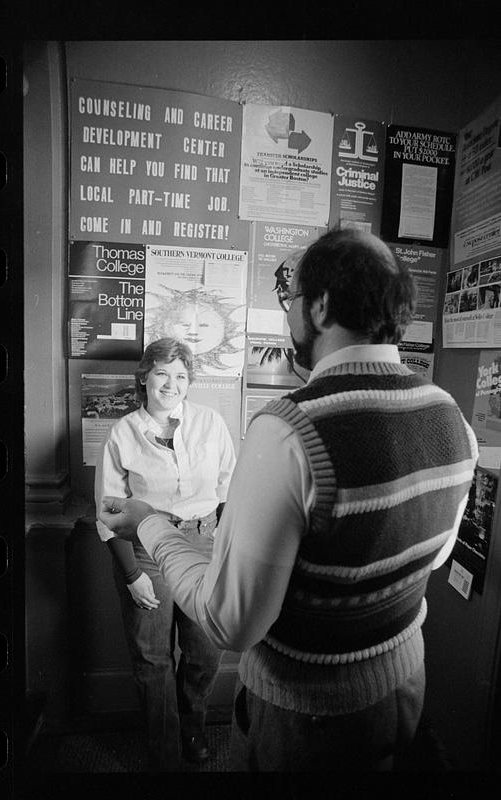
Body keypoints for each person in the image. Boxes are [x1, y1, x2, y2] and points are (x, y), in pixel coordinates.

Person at [99, 229, 479, 772]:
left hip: (308, 718)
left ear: (320, 306)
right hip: (403, 691)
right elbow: (433, 556)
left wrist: (151, 525)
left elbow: (231, 624)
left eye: (292, 299)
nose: (289, 314)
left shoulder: (288, 430)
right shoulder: (450, 416)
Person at [94, 337, 236, 770]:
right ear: (144, 377)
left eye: (180, 375)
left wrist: (225, 554)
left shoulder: (211, 424)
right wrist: (132, 573)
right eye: (161, 373)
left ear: (189, 382)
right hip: (146, 550)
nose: (170, 384)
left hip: (205, 544)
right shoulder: (123, 433)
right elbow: (108, 512)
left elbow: (229, 492)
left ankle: (191, 729)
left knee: (204, 651)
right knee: (153, 658)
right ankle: (165, 749)